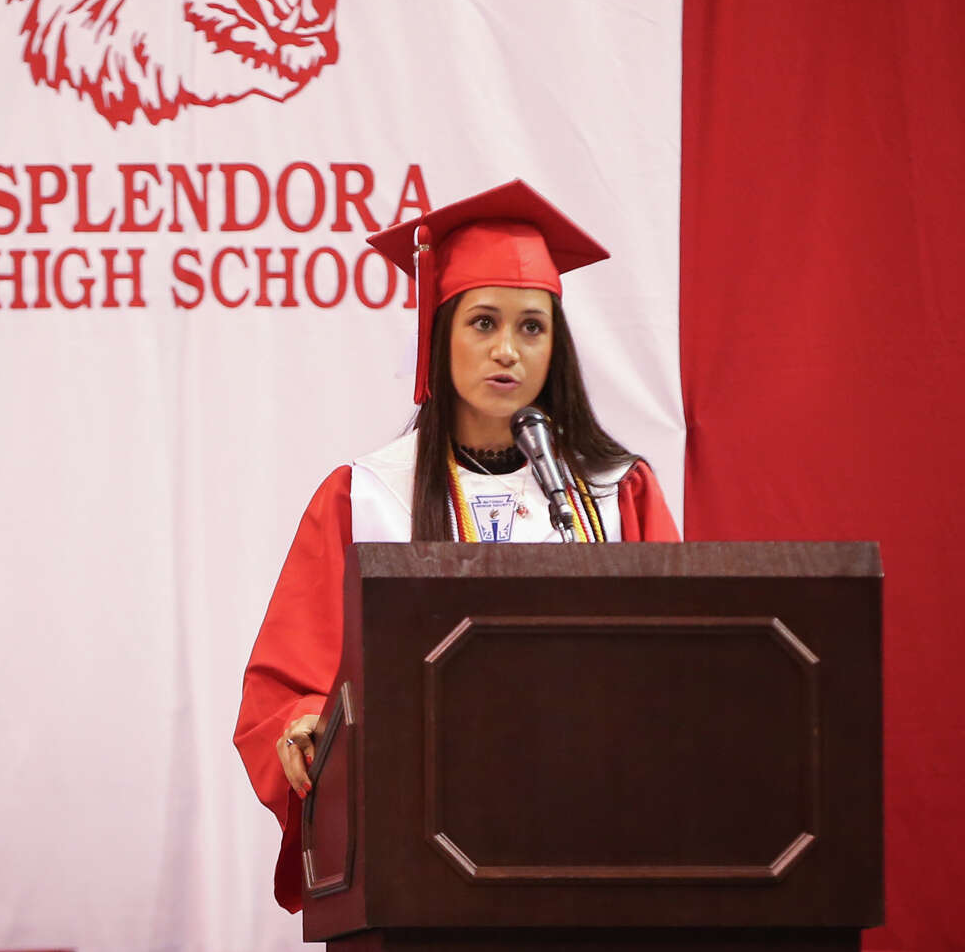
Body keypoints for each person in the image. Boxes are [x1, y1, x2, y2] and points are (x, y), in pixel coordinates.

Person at [233, 179, 679, 912]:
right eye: (482, 322)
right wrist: (303, 727)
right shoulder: (366, 496)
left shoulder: (614, 492)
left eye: (532, 327)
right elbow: (285, 689)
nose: (507, 348)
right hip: (418, 860)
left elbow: (678, 670)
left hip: (592, 848)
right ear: (439, 335)